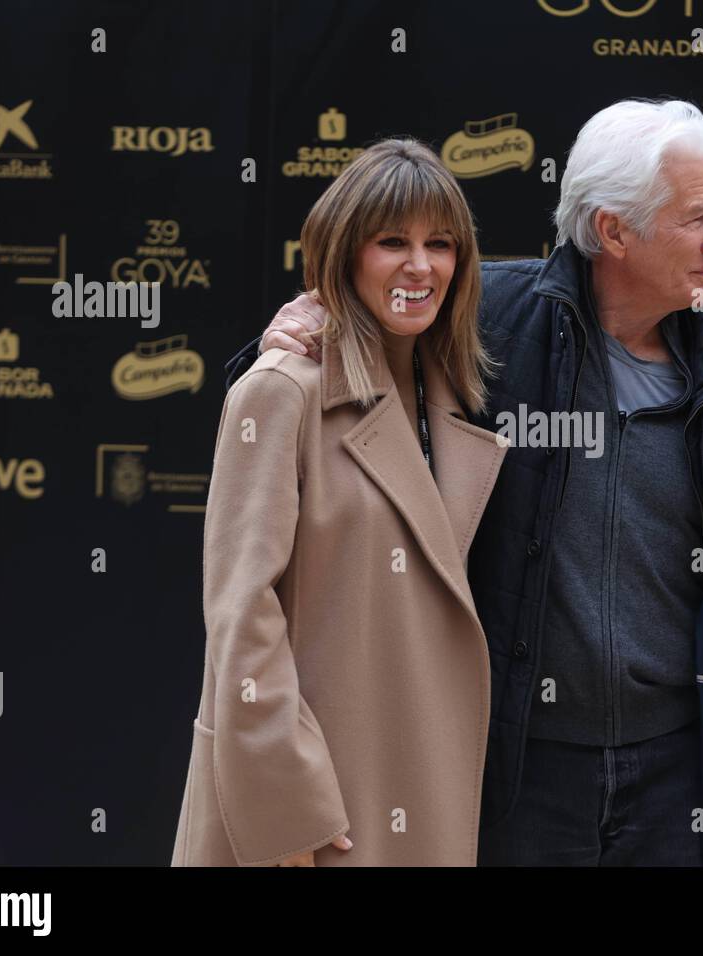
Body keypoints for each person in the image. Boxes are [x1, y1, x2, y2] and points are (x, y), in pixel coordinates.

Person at [228, 99, 703, 866]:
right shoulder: (482, 327)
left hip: (683, 787)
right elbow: (337, 379)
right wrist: (286, 338)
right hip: (514, 775)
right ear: (613, 230)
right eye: (696, 219)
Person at [172, 138, 508, 867]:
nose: (421, 266)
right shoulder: (280, 389)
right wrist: (289, 805)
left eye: (440, 244)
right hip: (312, 814)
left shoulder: (448, 400)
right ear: (343, 255)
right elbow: (240, 612)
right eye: (393, 241)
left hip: (412, 789)